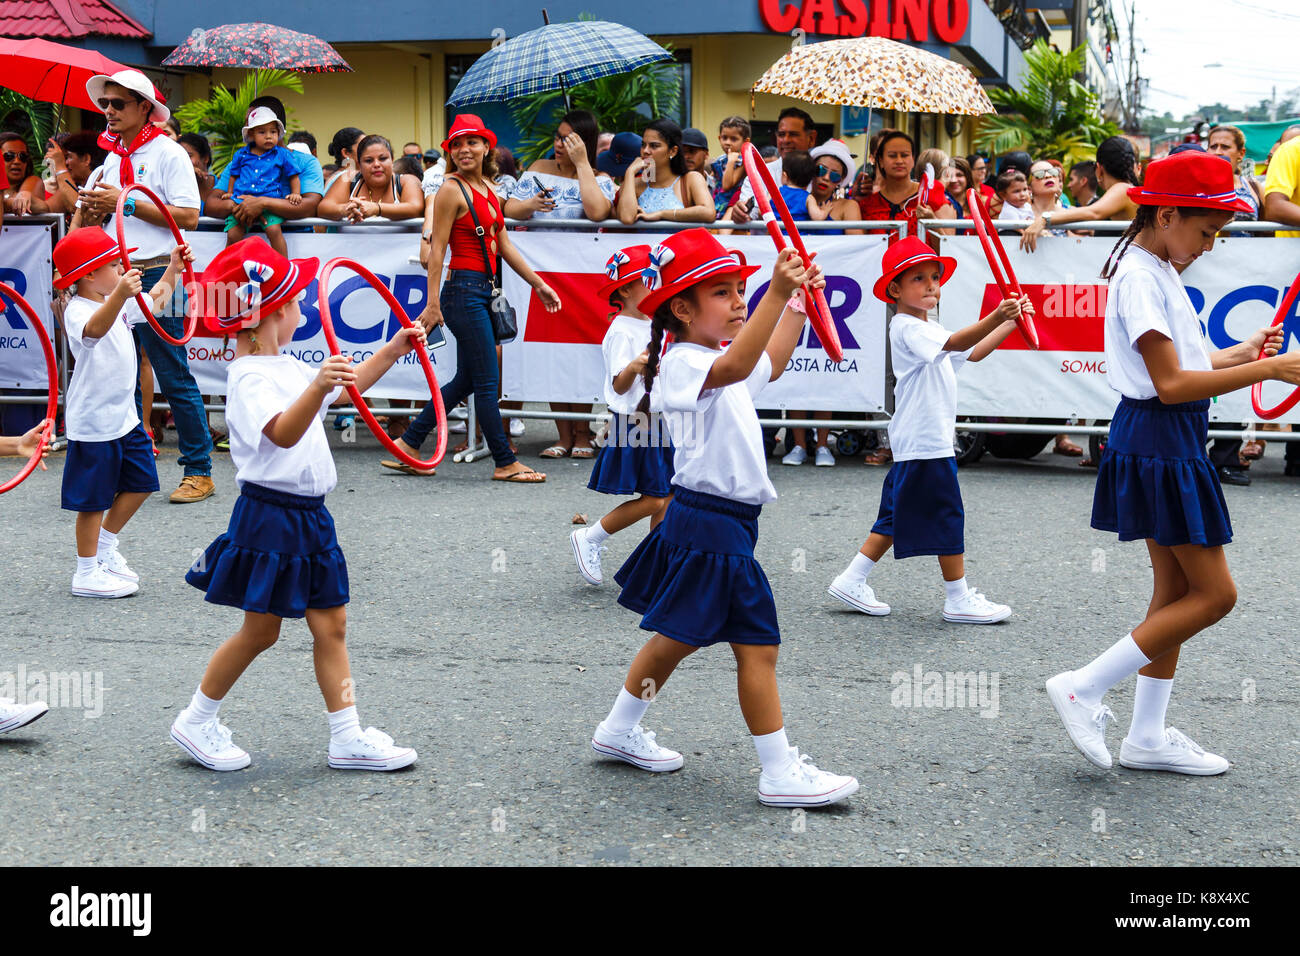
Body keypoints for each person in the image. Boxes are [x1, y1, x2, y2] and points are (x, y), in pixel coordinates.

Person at [1046, 150, 1299, 776]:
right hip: (1163, 437)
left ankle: (1147, 737)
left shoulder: (1152, 264)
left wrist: (1238, 353)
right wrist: (1262, 368)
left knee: (1177, 590)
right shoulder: (1140, 276)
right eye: (1206, 230)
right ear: (1165, 215)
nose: (1211, 245)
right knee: (1216, 595)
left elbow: (1186, 365)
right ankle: (1082, 686)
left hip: (1162, 438)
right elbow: (1168, 385)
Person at [590, 229, 859, 808]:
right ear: (681, 309)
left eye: (742, 289)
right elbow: (741, 363)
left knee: (674, 641)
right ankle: (778, 770)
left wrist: (792, 303)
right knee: (757, 646)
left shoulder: (712, 357)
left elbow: (770, 362)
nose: (739, 300)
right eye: (723, 292)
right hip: (710, 521)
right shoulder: (680, 362)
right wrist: (775, 291)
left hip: (722, 520)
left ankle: (618, 729)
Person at [175, 239, 423, 773]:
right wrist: (315, 386)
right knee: (260, 630)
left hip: (312, 515)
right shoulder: (248, 379)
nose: (305, 311)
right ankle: (196, 719)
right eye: (296, 304)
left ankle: (347, 736)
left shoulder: (285, 363)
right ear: (270, 314)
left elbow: (345, 386)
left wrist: (395, 348)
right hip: (270, 514)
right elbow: (284, 433)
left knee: (332, 625)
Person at [828, 237, 1026, 624]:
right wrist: (998, 315)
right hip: (924, 440)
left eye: (934, 277)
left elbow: (974, 350)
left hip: (919, 439)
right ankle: (958, 598)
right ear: (895, 290)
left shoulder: (926, 327)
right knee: (948, 514)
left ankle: (851, 578)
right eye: (918, 278)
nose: (931, 284)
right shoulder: (907, 327)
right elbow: (957, 341)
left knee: (894, 516)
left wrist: (1011, 322)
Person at [386, 115, 558, 483]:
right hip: (462, 291)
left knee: (466, 378)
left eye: (472, 142)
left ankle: (410, 442)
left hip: (483, 289)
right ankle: (504, 460)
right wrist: (432, 303)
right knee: (485, 380)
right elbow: (437, 249)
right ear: (450, 151)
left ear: (486, 147)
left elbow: (504, 245)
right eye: (457, 144)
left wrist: (537, 283)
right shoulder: (451, 189)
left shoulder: (491, 189)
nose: (465, 149)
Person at [73, 69, 213, 504]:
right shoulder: (111, 160)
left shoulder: (169, 153)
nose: (108, 111)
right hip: (115, 276)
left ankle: (199, 470)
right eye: (106, 104)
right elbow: (94, 217)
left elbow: (189, 217)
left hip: (157, 270)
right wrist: (90, 213)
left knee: (171, 371)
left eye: (117, 104)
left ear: (144, 108)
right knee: (122, 372)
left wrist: (124, 201)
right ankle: (132, 465)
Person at [53, 227, 191, 597]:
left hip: (124, 417)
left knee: (142, 483)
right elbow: (94, 332)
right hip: (94, 422)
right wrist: (119, 294)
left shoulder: (116, 299)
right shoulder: (79, 309)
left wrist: (174, 269)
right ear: (88, 275)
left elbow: (156, 303)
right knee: (93, 500)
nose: (122, 268)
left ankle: (105, 547)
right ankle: (85, 572)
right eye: (114, 264)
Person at [505, 110, 616, 459]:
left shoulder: (600, 177)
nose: (558, 144)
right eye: (557, 136)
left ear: (584, 142)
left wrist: (583, 164)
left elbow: (598, 212)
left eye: (568, 139)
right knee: (551, 352)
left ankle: (583, 433)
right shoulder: (537, 168)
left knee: (579, 351)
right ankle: (562, 434)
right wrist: (530, 205)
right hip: (540, 276)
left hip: (580, 275)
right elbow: (509, 208)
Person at [571, 245, 674, 586]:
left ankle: (660, 566)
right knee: (655, 497)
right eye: (648, 280)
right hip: (637, 421)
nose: (656, 286)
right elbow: (618, 385)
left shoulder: (656, 323)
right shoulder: (621, 329)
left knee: (668, 496)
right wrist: (635, 365)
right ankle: (592, 537)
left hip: (662, 418)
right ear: (626, 289)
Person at [1021, 135, 1142, 251]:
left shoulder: (1122, 189)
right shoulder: (1127, 189)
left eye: (1052, 172)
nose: (1048, 176)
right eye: (1039, 174)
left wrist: (1043, 219)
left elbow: (1093, 212)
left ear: (1099, 169)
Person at [221, 106, 301, 256]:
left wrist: (296, 193)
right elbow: (234, 175)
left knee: (274, 230)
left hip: (270, 203)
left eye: (273, 132)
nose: (268, 136)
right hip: (241, 203)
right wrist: (229, 192)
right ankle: (229, 267)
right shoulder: (241, 154)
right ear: (251, 134)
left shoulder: (283, 154)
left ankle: (284, 268)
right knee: (233, 234)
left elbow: (293, 175)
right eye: (262, 132)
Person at [857, 129, 954, 245]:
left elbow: (949, 249)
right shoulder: (868, 204)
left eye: (905, 155)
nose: (899, 161)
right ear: (881, 161)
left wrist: (932, 222)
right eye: (892, 155)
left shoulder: (932, 194)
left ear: (913, 160)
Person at [727, 107, 818, 224]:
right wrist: (740, 213)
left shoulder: (822, 174)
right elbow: (749, 214)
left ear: (811, 138)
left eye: (793, 134)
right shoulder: (757, 175)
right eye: (781, 134)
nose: (786, 140)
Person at [617, 118, 715, 225]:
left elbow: (709, 212)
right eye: (643, 145)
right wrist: (630, 172)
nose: (645, 151)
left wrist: (662, 214)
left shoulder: (691, 179)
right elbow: (626, 218)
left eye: (654, 146)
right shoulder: (634, 183)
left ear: (673, 151)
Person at [318, 134, 423, 222]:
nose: (376, 164)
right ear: (359, 164)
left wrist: (377, 209)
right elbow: (323, 208)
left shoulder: (407, 181)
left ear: (392, 160)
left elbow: (416, 208)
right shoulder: (349, 179)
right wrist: (345, 209)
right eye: (369, 160)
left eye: (383, 158)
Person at [42, 131, 104, 216]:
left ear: (86, 159)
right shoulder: (75, 184)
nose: (65, 163)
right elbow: (47, 208)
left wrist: (60, 167)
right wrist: (25, 196)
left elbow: (78, 208)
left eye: (68, 157)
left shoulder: (103, 183)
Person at [711, 115, 751, 217]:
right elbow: (715, 182)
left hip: (731, 208)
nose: (728, 142)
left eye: (734, 139)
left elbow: (727, 186)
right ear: (719, 138)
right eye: (724, 138)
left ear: (745, 142)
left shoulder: (743, 162)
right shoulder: (720, 160)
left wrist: (731, 162)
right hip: (717, 203)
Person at [1, 131, 47, 216]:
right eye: (9, 156)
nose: (17, 161)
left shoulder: (33, 180)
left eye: (23, 156)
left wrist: (5, 203)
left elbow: (21, 204)